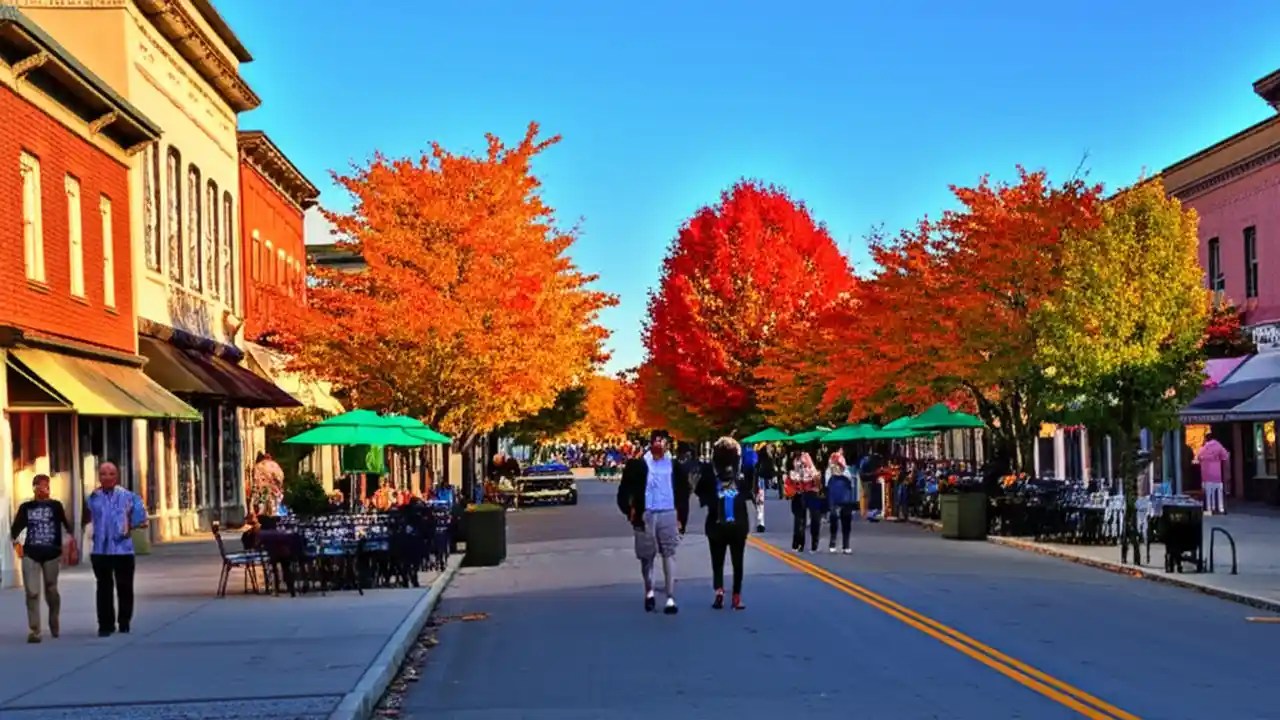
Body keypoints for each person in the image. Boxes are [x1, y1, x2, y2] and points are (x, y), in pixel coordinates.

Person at [617, 429, 691, 614]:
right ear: (651, 443)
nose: (659, 444)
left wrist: (682, 519)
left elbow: (683, 494)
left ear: (667, 444)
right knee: (646, 557)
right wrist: (630, 511)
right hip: (646, 514)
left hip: (668, 512)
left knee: (669, 553)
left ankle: (670, 597)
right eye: (656, 441)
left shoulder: (674, 467)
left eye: (663, 441)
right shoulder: (638, 465)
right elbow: (624, 491)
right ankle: (649, 592)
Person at [83, 462, 146, 637]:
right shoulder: (92, 498)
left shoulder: (129, 496)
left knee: (124, 586)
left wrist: (127, 525)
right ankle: (105, 624)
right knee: (103, 587)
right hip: (100, 550)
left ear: (116, 476)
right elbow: (87, 520)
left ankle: (124, 621)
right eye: (103, 474)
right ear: (99, 477)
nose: (107, 477)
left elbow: (141, 518)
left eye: (111, 474)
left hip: (123, 549)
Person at [10, 474, 75, 643]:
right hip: (30, 553)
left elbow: (67, 527)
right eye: (39, 486)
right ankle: (35, 630)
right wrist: (17, 544)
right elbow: (15, 530)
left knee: (51, 589)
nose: (43, 489)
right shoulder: (26, 507)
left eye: (46, 486)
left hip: (52, 552)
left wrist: (68, 544)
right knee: (32, 592)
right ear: (34, 488)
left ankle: (54, 618)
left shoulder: (56, 506)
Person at [696, 437, 753, 610]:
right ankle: (736, 596)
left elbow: (700, 493)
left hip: (716, 523)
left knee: (717, 561)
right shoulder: (740, 476)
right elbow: (749, 492)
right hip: (738, 523)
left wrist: (712, 500)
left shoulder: (710, 475)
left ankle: (719, 590)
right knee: (738, 561)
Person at [788, 452, 822, 553]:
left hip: (811, 490)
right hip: (799, 492)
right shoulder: (793, 459)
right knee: (799, 520)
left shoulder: (807, 457)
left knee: (814, 518)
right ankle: (799, 543)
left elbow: (815, 474)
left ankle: (813, 544)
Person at [825, 451, 857, 554]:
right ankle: (832, 543)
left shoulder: (847, 473)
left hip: (845, 500)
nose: (836, 467)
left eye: (838, 464)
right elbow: (827, 485)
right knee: (834, 519)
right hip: (833, 499)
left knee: (846, 522)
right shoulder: (829, 472)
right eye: (834, 464)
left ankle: (846, 545)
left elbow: (851, 485)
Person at [1194, 433, 1230, 515]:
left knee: (1208, 494)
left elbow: (1198, 457)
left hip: (1206, 475)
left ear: (1206, 439)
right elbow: (1225, 456)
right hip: (1217, 475)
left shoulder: (1204, 448)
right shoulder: (1219, 446)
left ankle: (1210, 509)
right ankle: (1220, 509)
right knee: (1218, 493)